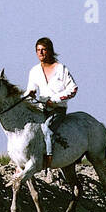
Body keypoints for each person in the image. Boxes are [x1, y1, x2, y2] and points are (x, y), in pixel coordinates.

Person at [27, 37, 77, 169]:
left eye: (43, 50)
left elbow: (73, 89)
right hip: (41, 108)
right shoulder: (34, 71)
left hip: (58, 110)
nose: (40, 53)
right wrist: (31, 94)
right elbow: (30, 90)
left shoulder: (61, 69)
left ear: (50, 51)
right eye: (38, 50)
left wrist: (54, 100)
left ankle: (48, 162)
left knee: (47, 129)